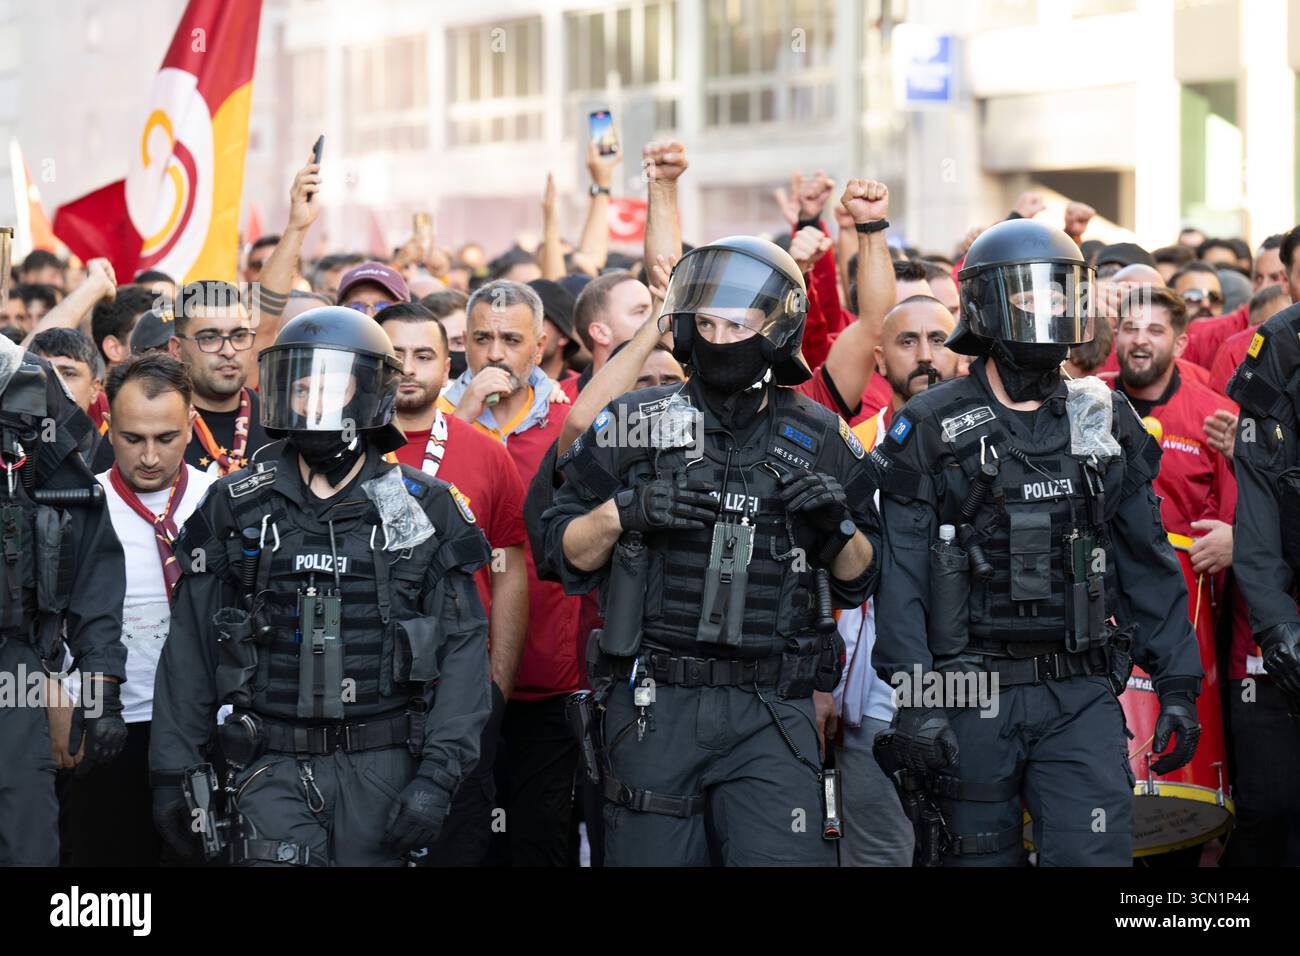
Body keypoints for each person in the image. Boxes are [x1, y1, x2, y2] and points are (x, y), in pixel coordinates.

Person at [871, 218, 1202, 866]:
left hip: (1079, 688)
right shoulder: (932, 423)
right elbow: (902, 574)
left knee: (1095, 856)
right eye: (1030, 295)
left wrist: (1180, 685)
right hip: (968, 692)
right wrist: (915, 698)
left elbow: (1146, 557)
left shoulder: (1097, 410)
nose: (1048, 310)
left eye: (1060, 293)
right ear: (989, 306)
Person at [541, 235, 880, 866]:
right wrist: (625, 512)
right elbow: (560, 551)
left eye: (740, 322)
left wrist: (836, 526)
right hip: (655, 703)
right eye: (709, 321)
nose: (722, 336)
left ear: (777, 330)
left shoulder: (820, 432)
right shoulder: (635, 420)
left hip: (774, 710)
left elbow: (862, 579)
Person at [149, 305, 493, 866]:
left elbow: (462, 659)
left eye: (329, 387)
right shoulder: (236, 504)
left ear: (366, 394)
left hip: (382, 766)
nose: (312, 404)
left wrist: (437, 777)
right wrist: (172, 773)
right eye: (300, 387)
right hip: (268, 765)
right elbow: (188, 651)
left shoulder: (424, 509)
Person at [377, 300, 529, 866]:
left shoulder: (487, 455)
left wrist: (495, 689)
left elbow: (509, 574)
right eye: (395, 356)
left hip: (459, 701)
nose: (410, 368)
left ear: (449, 367)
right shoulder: (338, 451)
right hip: (366, 702)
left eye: (424, 355)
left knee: (457, 845)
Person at [436, 279, 579, 866]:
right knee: (464, 842)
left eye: (511, 339)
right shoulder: (429, 418)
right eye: (482, 338)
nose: (495, 353)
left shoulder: (573, 425)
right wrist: (460, 422)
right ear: (463, 345)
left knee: (541, 841)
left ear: (540, 345)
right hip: (450, 685)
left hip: (547, 678)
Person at [60, 354, 215, 866]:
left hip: (204, 730)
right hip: (109, 730)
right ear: (108, 426)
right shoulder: (79, 505)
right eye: (132, 439)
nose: (149, 456)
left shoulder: (225, 502)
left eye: (166, 438)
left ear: (192, 426)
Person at [835, 295, 960, 867]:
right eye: (908, 342)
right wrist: (823, 687)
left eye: (939, 339)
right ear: (880, 359)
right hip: (875, 698)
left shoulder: (996, 439)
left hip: (980, 695)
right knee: (881, 855)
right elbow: (821, 566)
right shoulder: (849, 446)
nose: (926, 354)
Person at [0, 324, 128, 865]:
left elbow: (89, 546)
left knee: (25, 842)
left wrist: (97, 691)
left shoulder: (22, 390)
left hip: (13, 669)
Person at [1223, 299, 1300, 865]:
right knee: (1270, 809)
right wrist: (1278, 627)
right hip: (1284, 627)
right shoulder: (1282, 348)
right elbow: (1258, 511)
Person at [168, 280, 270, 476]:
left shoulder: (278, 423)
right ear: (176, 349)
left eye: (239, 336)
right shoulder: (149, 421)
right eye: (209, 338)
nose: (229, 351)